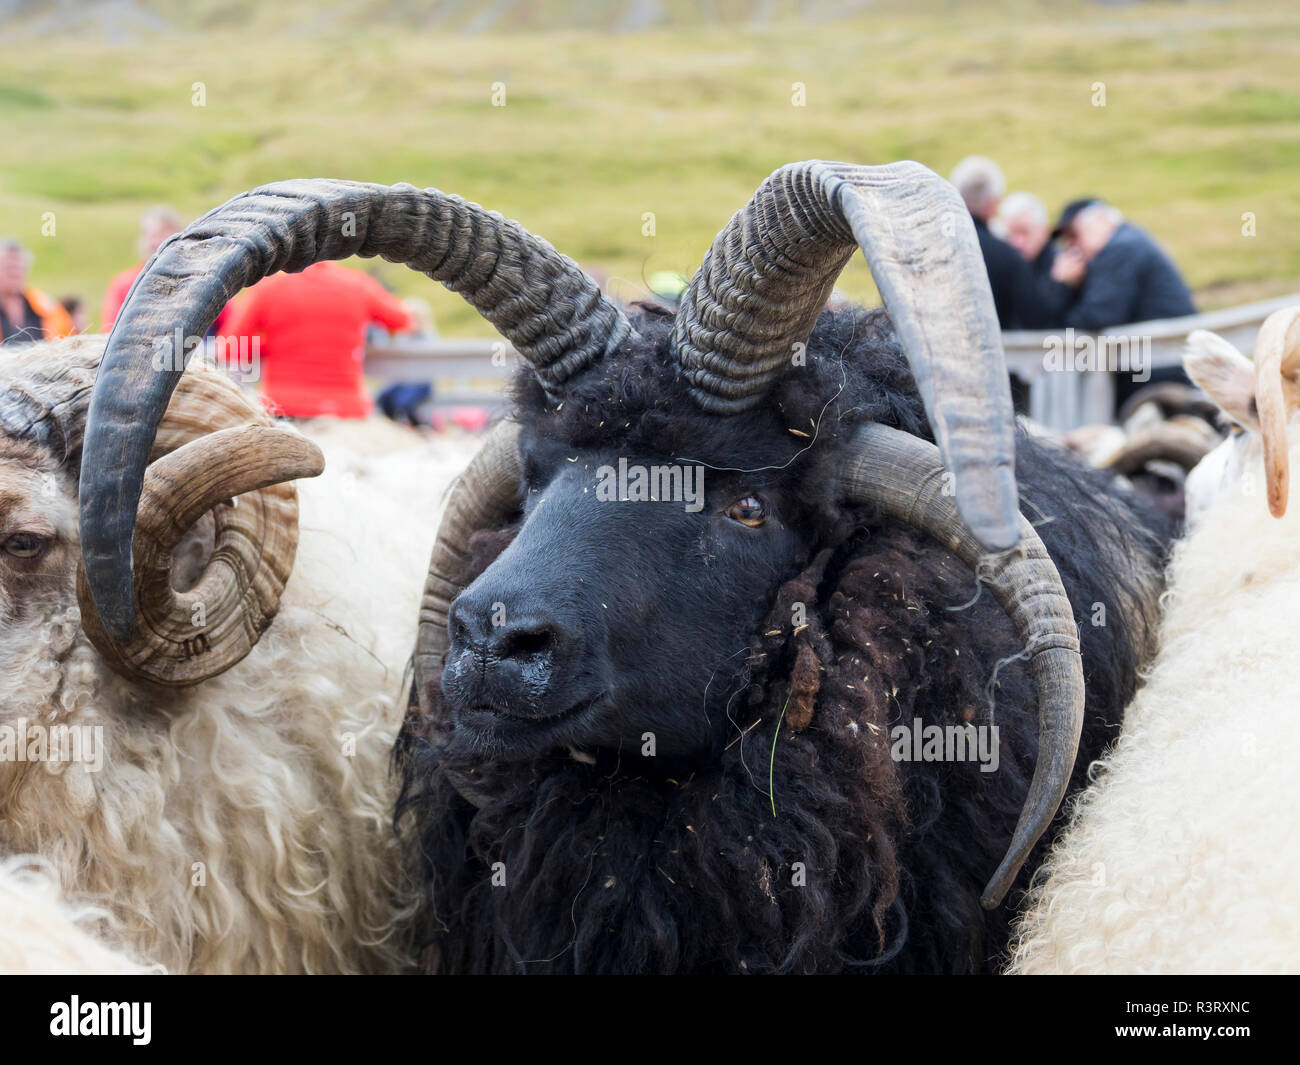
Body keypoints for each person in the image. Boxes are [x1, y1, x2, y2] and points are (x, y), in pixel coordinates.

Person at [219, 260, 414, 419]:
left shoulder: (270, 287)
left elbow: (229, 347)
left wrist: (270, 344)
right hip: (346, 411)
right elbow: (403, 319)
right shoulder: (357, 284)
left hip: (283, 408)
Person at [948, 157, 1070, 330]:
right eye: (1013, 233)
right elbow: (1039, 321)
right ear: (993, 204)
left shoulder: (931, 244)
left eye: (1025, 232)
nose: (1018, 242)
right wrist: (1060, 286)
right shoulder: (1005, 256)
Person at [1050, 199, 1196, 331]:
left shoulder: (1120, 248)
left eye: (1075, 235)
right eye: (1067, 240)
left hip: (1166, 348)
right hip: (1160, 343)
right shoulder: (1128, 241)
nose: (1072, 247)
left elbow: (1095, 318)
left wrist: (1063, 286)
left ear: (1102, 220)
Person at [100, 207, 183, 330]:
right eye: (151, 236)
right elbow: (109, 331)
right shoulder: (125, 284)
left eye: (163, 234)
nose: (157, 243)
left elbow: (222, 332)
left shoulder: (200, 280)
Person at [0, 239, 74, 346]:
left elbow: (69, 347)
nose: (15, 274)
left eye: (19, 268)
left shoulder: (49, 309)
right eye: (9, 268)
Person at [999, 192, 1057, 280]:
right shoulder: (1005, 270)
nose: (1017, 243)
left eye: (1024, 233)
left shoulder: (1062, 270)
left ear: (1045, 232)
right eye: (1009, 235)